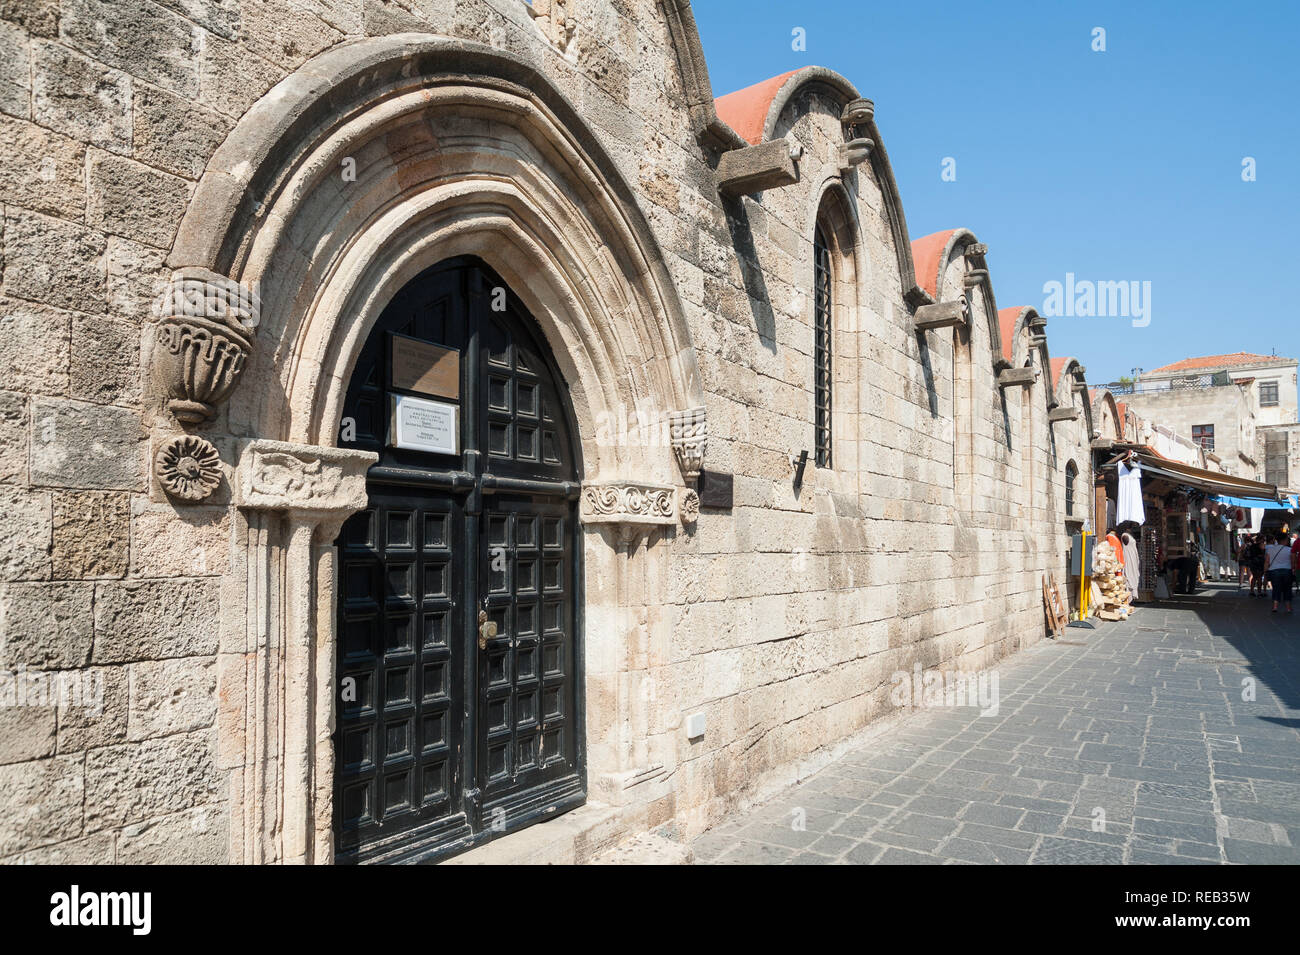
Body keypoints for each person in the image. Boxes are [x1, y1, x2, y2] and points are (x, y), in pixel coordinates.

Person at [1263, 532, 1294, 613]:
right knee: (1287, 589)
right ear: (1285, 540)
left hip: (1274, 571)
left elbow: (1266, 562)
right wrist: (1293, 569)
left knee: (1276, 589)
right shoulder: (1289, 550)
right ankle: (1288, 607)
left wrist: (1265, 571)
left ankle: (1275, 607)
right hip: (1287, 570)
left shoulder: (1270, 550)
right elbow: (1293, 561)